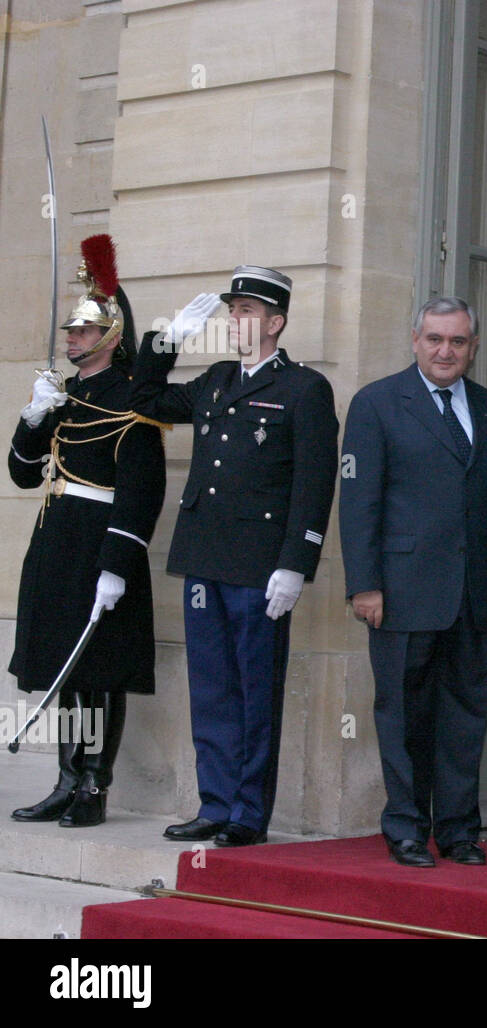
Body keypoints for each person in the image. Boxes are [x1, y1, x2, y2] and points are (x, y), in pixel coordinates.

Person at [130, 266, 338, 847]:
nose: (235, 321)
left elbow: (314, 484)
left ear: (275, 322)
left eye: (247, 311)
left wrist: (296, 563)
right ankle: (214, 802)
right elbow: (144, 397)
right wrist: (167, 340)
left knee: (253, 690)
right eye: (232, 310)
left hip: (260, 564)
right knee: (212, 689)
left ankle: (247, 814)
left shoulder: (303, 388)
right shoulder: (216, 379)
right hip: (205, 557)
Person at [339, 297, 487, 868]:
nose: (446, 351)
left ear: (472, 346)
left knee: (466, 716)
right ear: (415, 340)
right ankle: (407, 828)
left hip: (474, 593)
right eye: (435, 339)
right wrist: (364, 585)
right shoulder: (377, 403)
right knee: (404, 715)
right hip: (401, 590)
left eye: (458, 342)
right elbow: (359, 500)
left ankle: (461, 830)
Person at [8, 235, 165, 828]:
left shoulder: (132, 399)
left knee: (96, 672)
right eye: (70, 331)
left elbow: (142, 491)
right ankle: (66, 778)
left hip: (100, 545)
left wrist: (116, 566)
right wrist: (32, 416)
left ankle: (94, 787)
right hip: (56, 541)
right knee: (62, 671)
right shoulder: (64, 394)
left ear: (110, 335)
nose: (70, 339)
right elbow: (24, 476)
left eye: (81, 330)